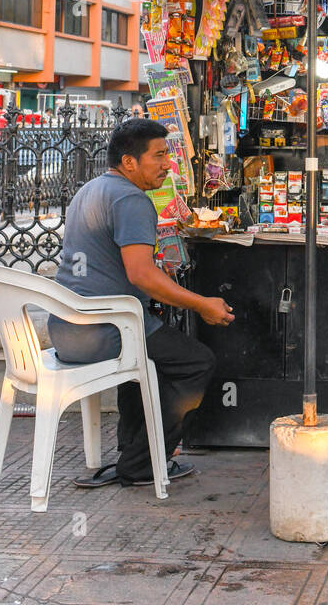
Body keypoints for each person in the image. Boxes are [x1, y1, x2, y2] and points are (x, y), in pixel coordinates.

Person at [48, 119, 234, 489]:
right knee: (195, 362)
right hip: (105, 331)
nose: (168, 164)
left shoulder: (91, 190)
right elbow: (141, 276)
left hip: (66, 330)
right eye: (159, 156)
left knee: (146, 359)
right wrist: (202, 305)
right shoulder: (132, 199)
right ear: (129, 162)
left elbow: (119, 264)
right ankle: (144, 463)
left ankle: (132, 452)